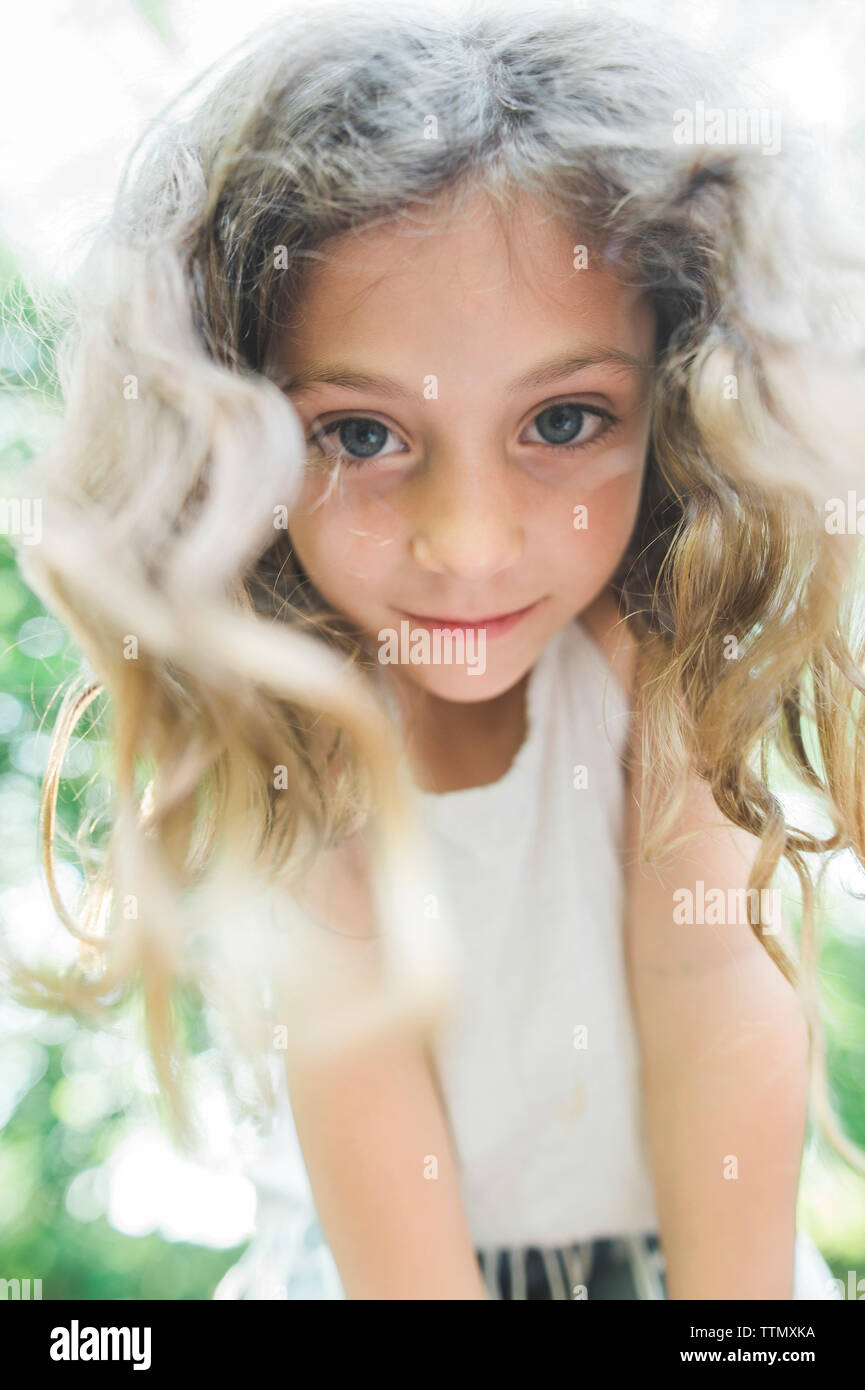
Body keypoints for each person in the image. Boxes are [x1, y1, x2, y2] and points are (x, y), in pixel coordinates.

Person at [13, 0, 865, 1300]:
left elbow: (711, 994)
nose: (466, 543)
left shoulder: (661, 660)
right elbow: (361, 1089)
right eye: (360, 435)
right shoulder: (304, 710)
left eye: (565, 418)